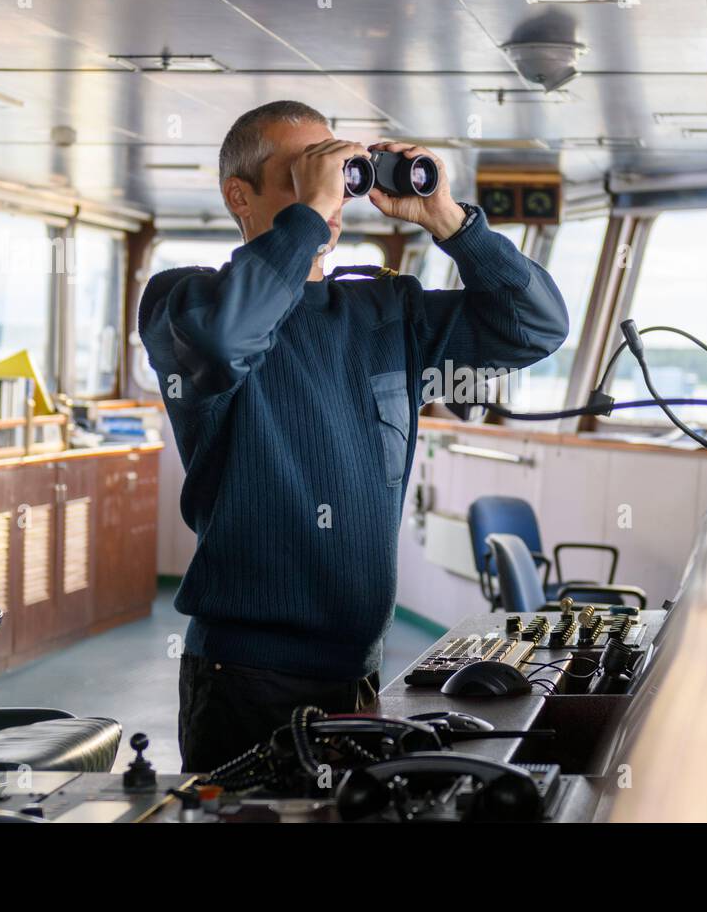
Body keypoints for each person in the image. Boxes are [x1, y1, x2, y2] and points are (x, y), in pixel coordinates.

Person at [138, 100, 569, 772]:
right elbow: (228, 340)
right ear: (238, 195)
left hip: (362, 671)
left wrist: (450, 223)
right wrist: (306, 221)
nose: (331, 193)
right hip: (246, 677)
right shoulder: (183, 301)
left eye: (338, 173)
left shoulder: (384, 310)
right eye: (307, 175)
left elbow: (535, 326)